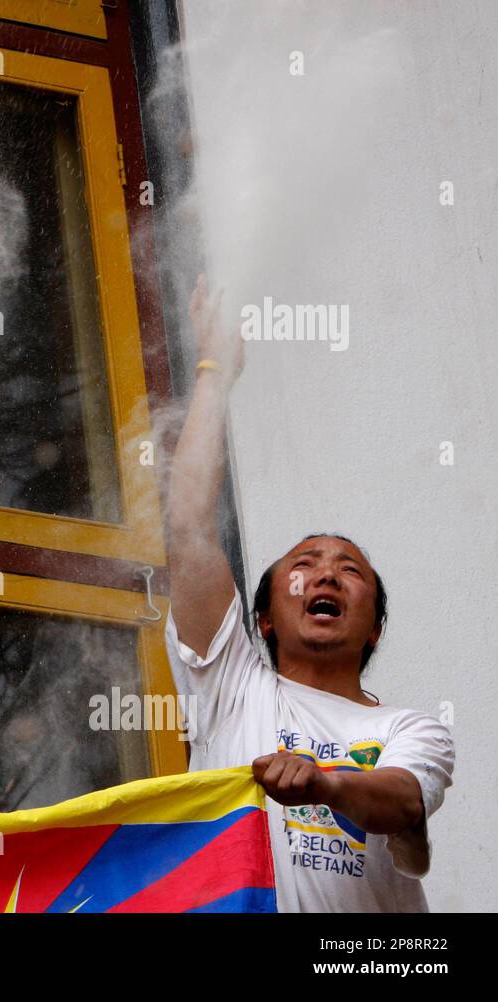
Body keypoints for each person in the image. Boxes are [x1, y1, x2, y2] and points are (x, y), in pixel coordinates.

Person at [164, 274, 454, 912]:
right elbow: (185, 526)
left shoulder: (410, 730)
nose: (326, 575)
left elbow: (404, 801)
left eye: (350, 570)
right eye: (305, 564)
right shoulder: (231, 688)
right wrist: (216, 368)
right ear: (262, 618)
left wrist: (325, 784)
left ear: (373, 627)